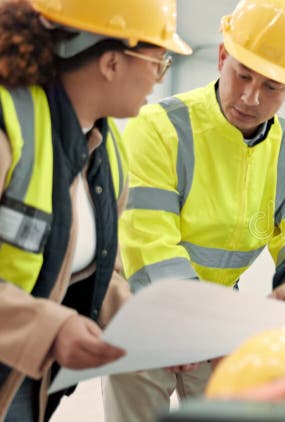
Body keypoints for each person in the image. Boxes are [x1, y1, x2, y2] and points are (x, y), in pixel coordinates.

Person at [101, 0, 285, 420]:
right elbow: (148, 238)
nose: (250, 97)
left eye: (271, 87)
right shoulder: (158, 127)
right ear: (223, 57)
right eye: (242, 75)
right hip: (146, 305)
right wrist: (190, 322)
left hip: (220, 311)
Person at [0, 0, 190, 420]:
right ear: (111, 62)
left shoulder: (107, 153)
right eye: (159, 61)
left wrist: (156, 333)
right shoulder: (9, 121)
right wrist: (50, 328)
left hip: (22, 380)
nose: (160, 78)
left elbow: (99, 276)